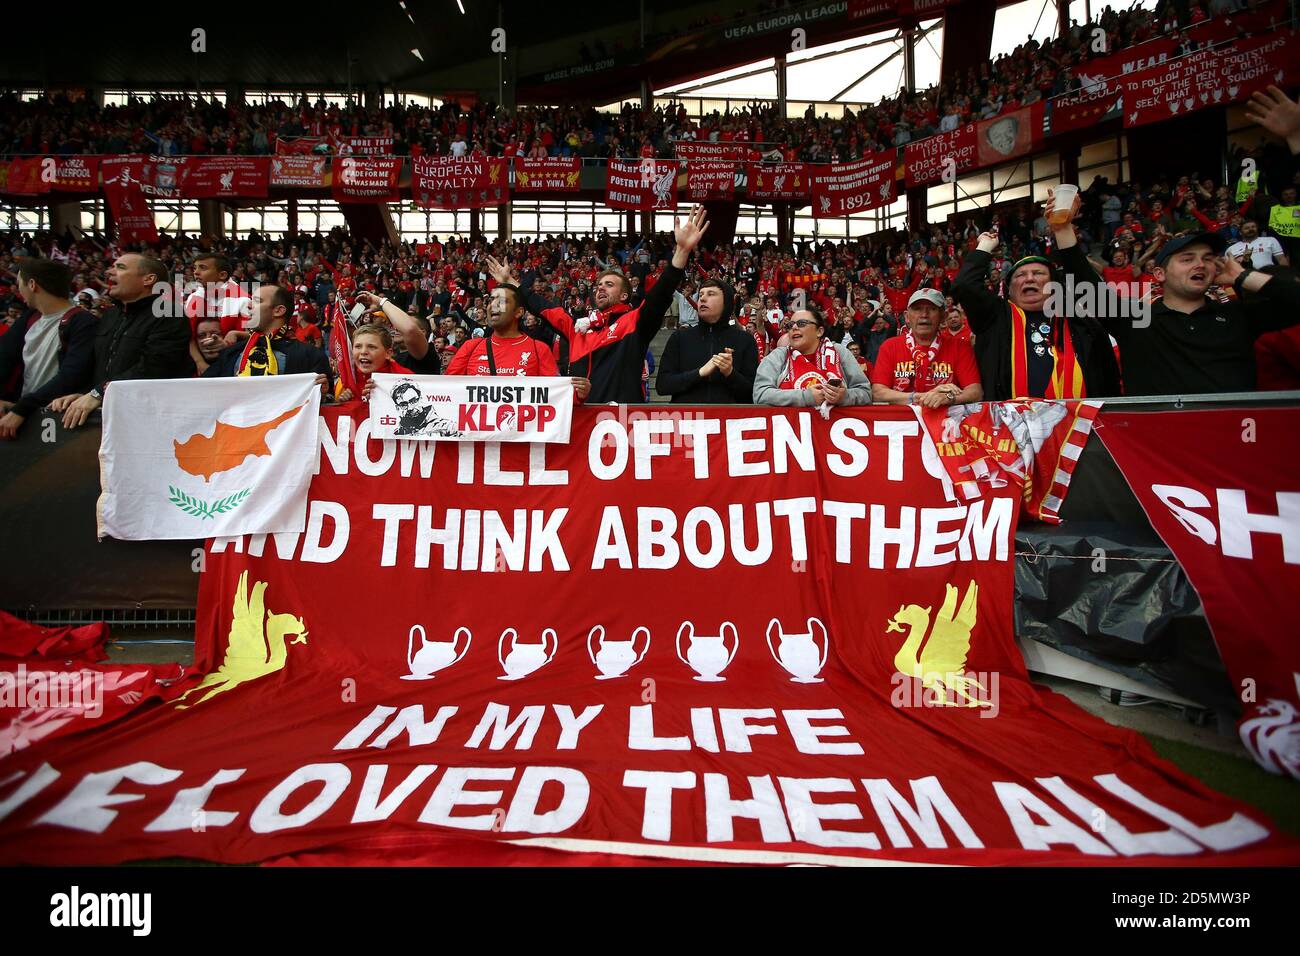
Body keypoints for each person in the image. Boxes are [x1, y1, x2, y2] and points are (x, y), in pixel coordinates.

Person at [487, 205, 708, 403]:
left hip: (623, 427)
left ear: (624, 296)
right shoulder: (577, 328)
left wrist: (682, 252)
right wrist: (510, 282)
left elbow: (660, 296)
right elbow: (541, 306)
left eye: (609, 284)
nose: (600, 288)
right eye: (598, 284)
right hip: (583, 426)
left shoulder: (634, 322)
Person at [953, 188, 1120, 399]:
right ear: (1010, 290)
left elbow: (1108, 376)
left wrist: (1063, 229)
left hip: (1079, 426)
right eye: (1020, 275)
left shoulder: (1080, 320)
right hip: (1010, 429)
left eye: (1038, 273)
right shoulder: (996, 317)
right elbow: (965, 286)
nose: (1029, 278)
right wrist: (984, 247)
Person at [1102, 232, 1300, 394]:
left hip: (1235, 436)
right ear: (1160, 274)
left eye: (1208, 259)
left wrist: (1241, 276)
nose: (1200, 264)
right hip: (1155, 440)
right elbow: (1079, 286)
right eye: (1187, 259)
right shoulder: (1133, 319)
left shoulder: (1239, 315)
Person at [50, 253, 194, 429]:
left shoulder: (169, 314)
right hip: (105, 417)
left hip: (148, 421)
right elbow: (98, 365)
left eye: (120, 267)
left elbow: (153, 368)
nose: (109, 272)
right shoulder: (111, 315)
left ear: (148, 279)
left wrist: (98, 394)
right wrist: (83, 394)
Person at [0, 258, 97, 440]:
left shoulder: (82, 322)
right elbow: (4, 356)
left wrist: (22, 408)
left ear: (32, 284)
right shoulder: (29, 317)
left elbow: (71, 376)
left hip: (57, 419)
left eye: (19, 283)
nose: (19, 290)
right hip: (24, 410)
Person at [444, 284, 592, 401]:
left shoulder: (539, 350)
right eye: (490, 300)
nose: (492, 305)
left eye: (501, 301)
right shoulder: (471, 347)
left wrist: (578, 393)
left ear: (519, 312)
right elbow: (445, 393)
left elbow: (556, 396)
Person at [871, 288, 983, 407]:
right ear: (907, 316)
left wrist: (949, 397)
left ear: (943, 317)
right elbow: (878, 392)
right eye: (917, 309)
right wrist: (919, 397)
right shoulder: (889, 346)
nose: (924, 315)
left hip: (944, 421)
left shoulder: (959, 346)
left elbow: (975, 392)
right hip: (902, 422)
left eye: (932, 309)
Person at [655, 278, 759, 404]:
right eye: (701, 295)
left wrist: (730, 373)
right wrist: (699, 373)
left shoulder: (745, 340)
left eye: (711, 294)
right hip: (688, 420)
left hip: (729, 421)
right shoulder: (679, 338)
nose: (702, 299)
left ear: (726, 302)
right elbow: (663, 385)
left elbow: (753, 392)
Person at [202, 284, 331, 384]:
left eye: (257, 301)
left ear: (278, 311)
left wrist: (322, 395)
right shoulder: (230, 353)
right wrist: (209, 355)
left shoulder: (311, 356)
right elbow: (203, 390)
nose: (249, 306)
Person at [753, 304, 872, 407]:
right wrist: (806, 397)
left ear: (819, 331)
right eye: (790, 325)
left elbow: (865, 393)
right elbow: (760, 394)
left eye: (802, 323)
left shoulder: (839, 352)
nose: (794, 327)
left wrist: (844, 397)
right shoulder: (778, 356)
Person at [355, 291, 442, 374]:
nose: (396, 328)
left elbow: (409, 330)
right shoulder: (391, 358)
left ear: (422, 332)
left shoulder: (427, 356)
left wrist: (381, 302)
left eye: (401, 325)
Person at [337, 325, 411, 403]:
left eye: (371, 347)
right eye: (358, 346)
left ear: (388, 353)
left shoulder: (406, 378)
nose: (363, 352)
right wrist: (341, 402)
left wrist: (385, 398)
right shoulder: (347, 377)